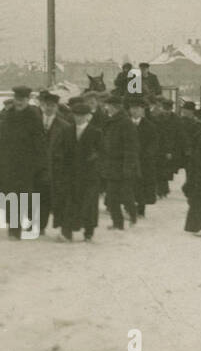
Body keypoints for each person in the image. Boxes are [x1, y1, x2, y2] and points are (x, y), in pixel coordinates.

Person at [0, 84, 47, 238]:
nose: (19, 102)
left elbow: (40, 141)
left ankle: (33, 222)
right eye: (17, 99)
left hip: (28, 164)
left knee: (27, 195)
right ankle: (14, 228)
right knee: (11, 196)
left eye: (22, 99)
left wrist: (39, 163)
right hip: (9, 162)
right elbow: (0, 137)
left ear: (28, 99)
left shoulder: (34, 116)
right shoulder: (8, 115)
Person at [58, 99, 102, 242]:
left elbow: (103, 152)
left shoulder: (95, 132)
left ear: (88, 116)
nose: (78, 118)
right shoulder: (67, 131)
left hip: (89, 175)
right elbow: (61, 151)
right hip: (70, 174)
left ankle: (88, 232)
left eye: (82, 115)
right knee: (69, 202)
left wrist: (94, 159)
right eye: (76, 115)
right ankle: (67, 231)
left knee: (88, 204)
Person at [97, 94, 140, 230]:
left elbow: (131, 147)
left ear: (114, 107)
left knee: (126, 195)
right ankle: (118, 223)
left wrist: (128, 168)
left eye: (108, 106)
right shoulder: (112, 121)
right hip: (112, 165)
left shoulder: (125, 122)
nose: (106, 108)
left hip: (122, 166)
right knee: (112, 196)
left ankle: (132, 215)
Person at [36, 91, 72, 236]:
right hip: (37, 168)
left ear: (57, 107)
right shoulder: (35, 123)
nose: (49, 108)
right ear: (42, 106)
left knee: (51, 198)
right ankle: (38, 225)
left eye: (52, 106)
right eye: (46, 105)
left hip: (55, 169)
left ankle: (55, 226)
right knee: (36, 197)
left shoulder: (64, 126)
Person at [127, 96, 158, 218]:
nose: (135, 111)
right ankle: (128, 206)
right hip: (128, 159)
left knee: (141, 185)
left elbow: (154, 143)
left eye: (138, 109)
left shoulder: (149, 126)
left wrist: (147, 154)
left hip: (143, 161)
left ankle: (140, 208)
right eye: (132, 108)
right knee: (128, 184)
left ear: (143, 110)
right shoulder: (125, 124)